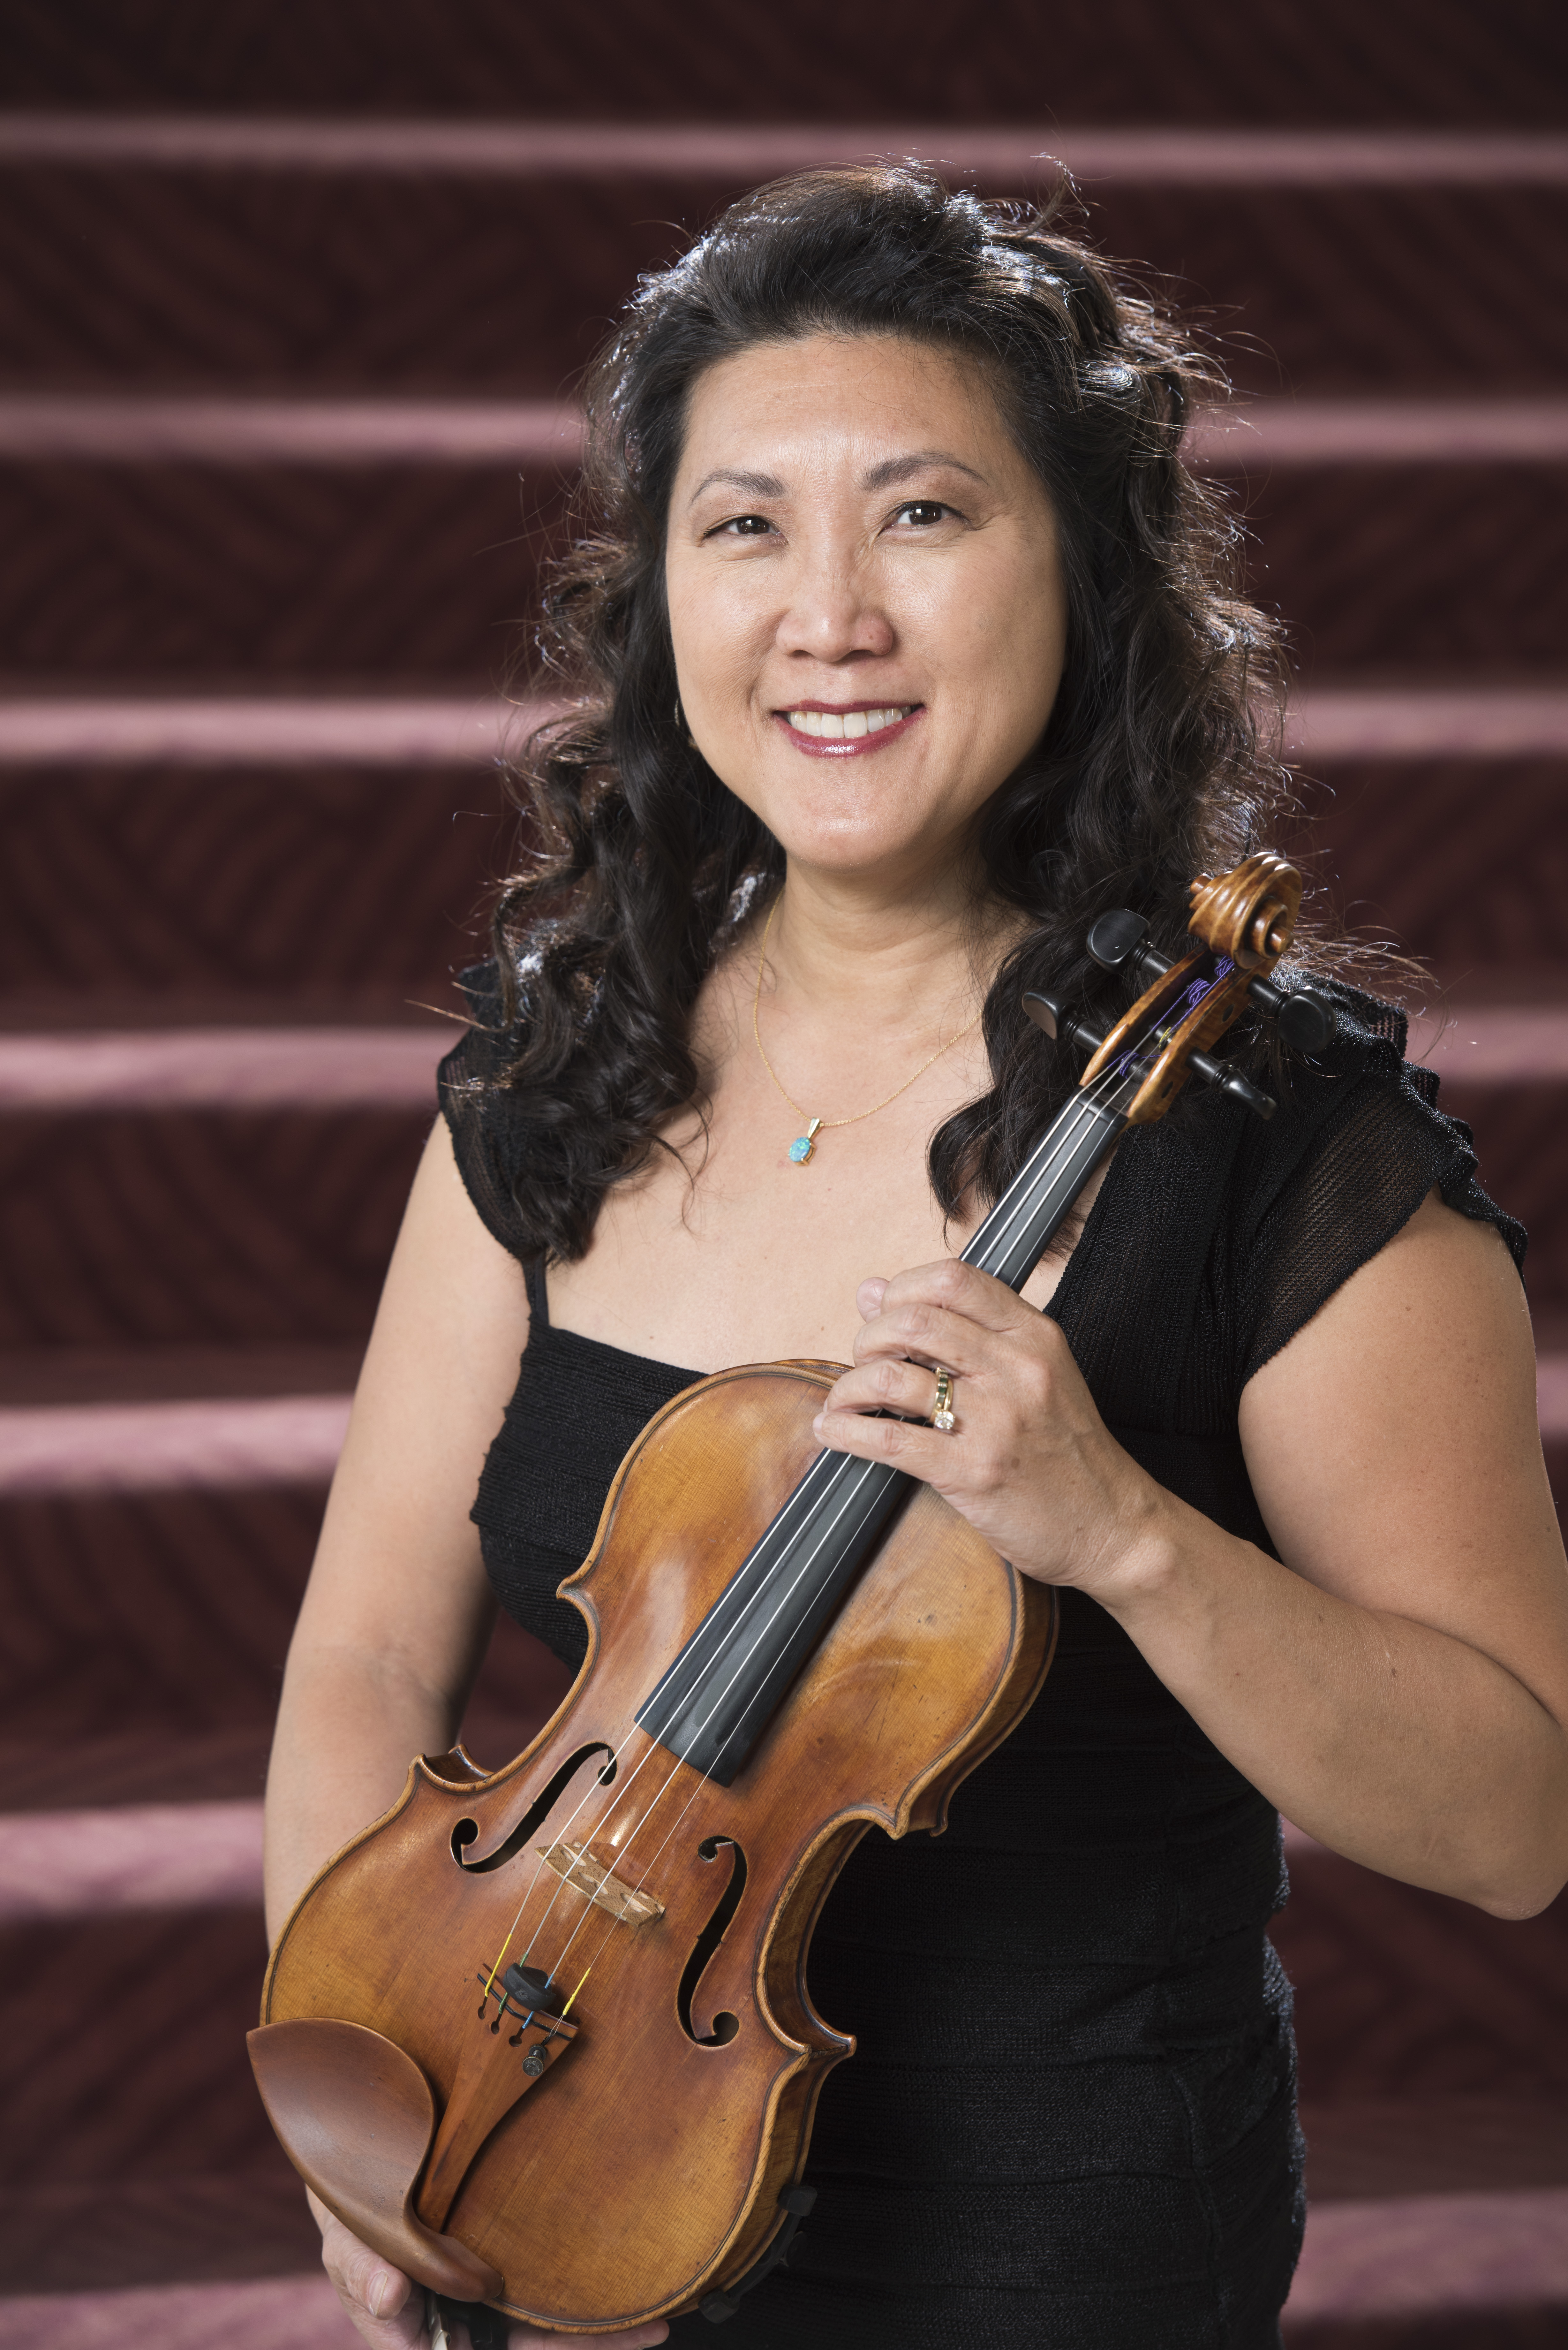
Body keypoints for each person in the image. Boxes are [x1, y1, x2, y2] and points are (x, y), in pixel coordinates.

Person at [262, 166, 1568, 2350]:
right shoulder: (563, 1070)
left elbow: (1517, 1819)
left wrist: (1124, 1534)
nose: (830, 617)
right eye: (745, 527)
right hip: (541, 2127)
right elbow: (369, 1662)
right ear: (660, 598)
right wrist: (364, 2100)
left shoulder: (1280, 1147)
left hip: (1050, 2249)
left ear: (1085, 576)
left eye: (926, 517)